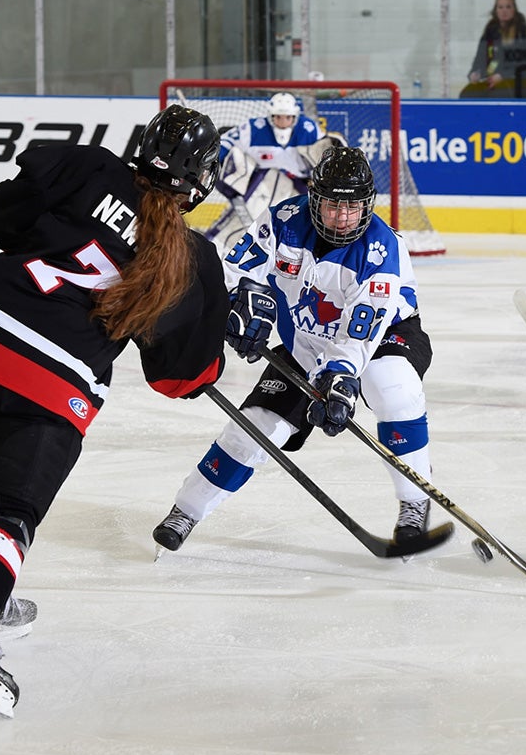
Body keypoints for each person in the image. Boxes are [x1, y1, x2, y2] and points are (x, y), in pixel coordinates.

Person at [0, 105, 230, 717]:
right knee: (9, 506)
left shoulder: (87, 165)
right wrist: (217, 327)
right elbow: (177, 377)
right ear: (199, 183)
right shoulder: (189, 259)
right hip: (41, 382)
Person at [153, 146, 439, 554]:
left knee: (391, 387)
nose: (342, 217)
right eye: (333, 206)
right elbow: (232, 273)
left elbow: (358, 337)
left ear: (368, 204)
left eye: (352, 207)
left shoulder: (382, 251)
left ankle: (413, 501)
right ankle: (186, 510)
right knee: (254, 426)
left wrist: (338, 380)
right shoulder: (283, 221)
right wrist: (240, 302)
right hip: (307, 344)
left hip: (383, 340)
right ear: (314, 200)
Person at [203, 92, 342, 253]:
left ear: (295, 117)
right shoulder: (253, 128)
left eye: (288, 117)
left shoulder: (308, 129)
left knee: (303, 227)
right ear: (270, 116)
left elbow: (327, 153)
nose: (283, 122)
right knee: (243, 228)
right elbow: (225, 142)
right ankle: (216, 248)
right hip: (259, 185)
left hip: (298, 186)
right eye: (278, 117)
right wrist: (210, 161)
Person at [465, 0, 526, 98]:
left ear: (514, 10)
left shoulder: (524, 33)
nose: (504, 11)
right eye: (500, 7)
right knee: (467, 94)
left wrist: (503, 75)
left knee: (497, 95)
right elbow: (480, 59)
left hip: (514, 83)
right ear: (496, 10)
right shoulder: (489, 33)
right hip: (489, 80)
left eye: (508, 7)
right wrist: (475, 73)